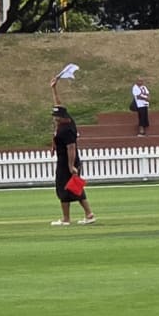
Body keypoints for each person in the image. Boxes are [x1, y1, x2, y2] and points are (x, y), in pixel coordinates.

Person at [49, 77, 96, 226]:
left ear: (62, 118)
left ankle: (68, 218)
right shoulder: (66, 120)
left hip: (68, 161)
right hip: (65, 160)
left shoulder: (67, 130)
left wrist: (71, 166)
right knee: (73, 188)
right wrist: (54, 88)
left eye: (57, 117)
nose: (55, 119)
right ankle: (87, 215)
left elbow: (71, 148)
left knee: (68, 188)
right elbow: (58, 104)